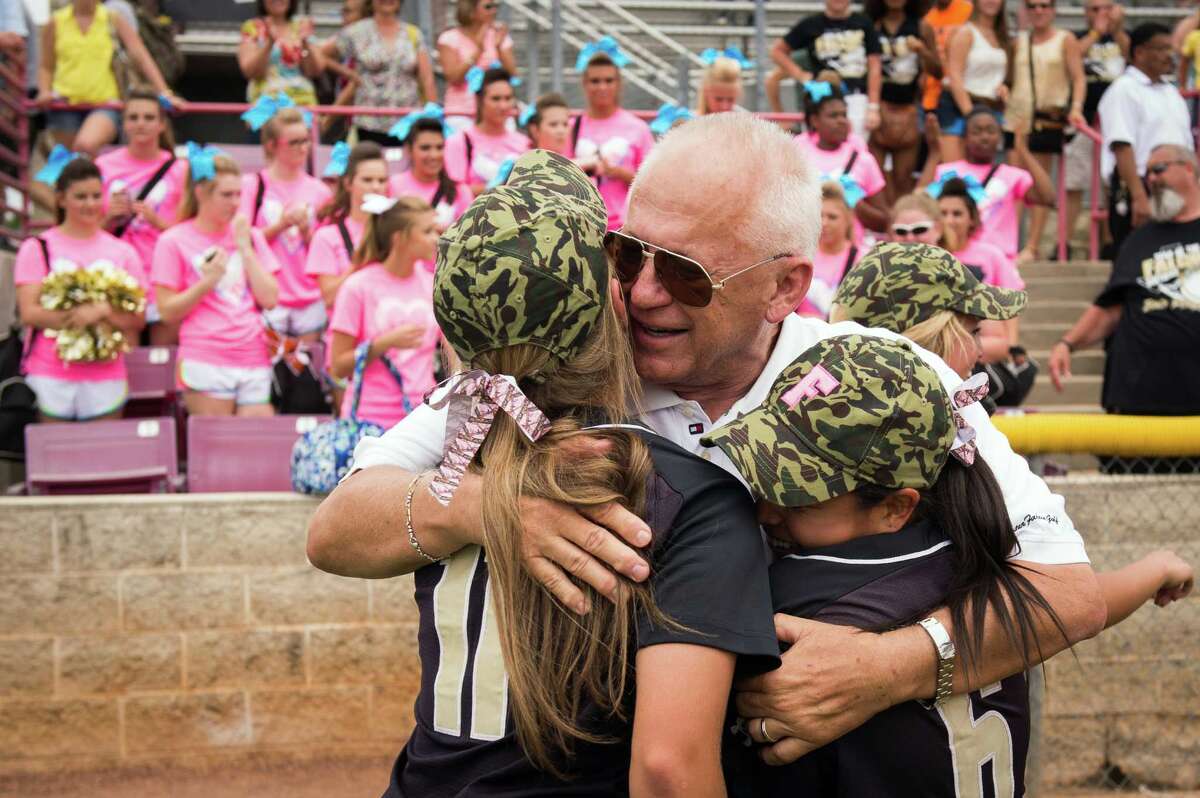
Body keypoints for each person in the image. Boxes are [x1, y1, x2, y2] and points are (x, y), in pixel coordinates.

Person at [307, 113, 1106, 769]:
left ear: (786, 285)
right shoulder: (566, 360)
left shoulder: (881, 377)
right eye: (628, 253)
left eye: (689, 274)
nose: (644, 291)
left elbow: (1066, 588)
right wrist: (489, 505)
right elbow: (337, 528)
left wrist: (889, 669)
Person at [344, 150, 779, 795]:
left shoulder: (456, 449)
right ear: (611, 303)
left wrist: (474, 500)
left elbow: (343, 526)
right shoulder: (690, 496)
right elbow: (669, 769)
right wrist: (490, 507)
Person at [707, 333, 1059, 797]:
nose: (767, 512)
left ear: (896, 508)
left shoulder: (795, 597)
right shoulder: (993, 563)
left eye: (801, 498)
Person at [1050, 143, 1200, 422]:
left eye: (1159, 169)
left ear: (1189, 169)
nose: (1151, 179)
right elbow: (1111, 307)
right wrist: (1066, 343)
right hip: (1137, 396)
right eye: (1147, 173)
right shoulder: (1139, 240)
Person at [16, 157, 147, 422]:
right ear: (62, 199)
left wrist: (103, 311)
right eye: (81, 197)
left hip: (106, 376)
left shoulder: (122, 252)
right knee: (53, 458)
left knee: (103, 458)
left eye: (96, 196)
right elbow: (29, 313)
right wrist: (78, 316)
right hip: (50, 374)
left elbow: (138, 319)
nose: (90, 204)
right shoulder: (37, 247)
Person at [152, 146, 280, 417]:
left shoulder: (251, 236)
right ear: (200, 193)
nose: (235, 203)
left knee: (259, 447)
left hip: (253, 354)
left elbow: (270, 298)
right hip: (205, 356)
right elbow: (166, 310)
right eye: (226, 195)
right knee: (218, 450)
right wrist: (206, 282)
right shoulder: (173, 240)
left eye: (238, 194)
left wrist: (245, 248)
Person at [328, 196, 440, 429]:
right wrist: (383, 343)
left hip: (422, 418)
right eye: (427, 231)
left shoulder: (433, 285)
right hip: (370, 420)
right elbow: (337, 366)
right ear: (400, 238)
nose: (436, 239)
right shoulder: (357, 287)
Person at [96, 89, 188, 346]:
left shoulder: (180, 169)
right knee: (124, 364)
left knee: (163, 365)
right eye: (133, 117)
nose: (140, 124)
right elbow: (86, 232)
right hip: (118, 275)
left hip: (165, 276)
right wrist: (109, 219)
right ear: (123, 124)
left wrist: (158, 222)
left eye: (148, 117)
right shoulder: (104, 166)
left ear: (161, 124)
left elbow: (193, 230)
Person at [35, 0, 181, 158]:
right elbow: (46, 66)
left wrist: (165, 93)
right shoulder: (55, 22)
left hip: (105, 103)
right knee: (66, 163)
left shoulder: (113, 18)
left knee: (85, 144)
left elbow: (141, 57)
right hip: (65, 104)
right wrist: (44, 91)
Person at [886, 195, 1017, 367]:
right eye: (901, 231)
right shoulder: (877, 280)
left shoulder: (958, 278)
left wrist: (943, 353)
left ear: (938, 229)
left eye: (920, 229)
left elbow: (998, 343)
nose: (910, 237)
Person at [1097, 22, 1191, 256]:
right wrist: (1138, 197)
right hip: (1141, 185)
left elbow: (1187, 145)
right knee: (1137, 259)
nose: (1169, 55)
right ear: (1139, 52)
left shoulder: (1171, 92)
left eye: (1171, 49)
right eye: (1161, 49)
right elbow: (1122, 145)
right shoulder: (1123, 90)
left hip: (1179, 187)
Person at [241, 104, 332, 342]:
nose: (303, 148)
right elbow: (243, 239)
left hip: (310, 296)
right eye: (294, 142)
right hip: (269, 295)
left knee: (305, 372)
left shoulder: (320, 190)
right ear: (271, 146)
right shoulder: (252, 185)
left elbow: (326, 250)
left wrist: (305, 231)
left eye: (305, 140)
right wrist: (280, 225)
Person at [1004, 0, 1086, 263]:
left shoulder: (1065, 39)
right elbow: (1011, 78)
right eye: (1033, 6)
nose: (1039, 11)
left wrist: (1075, 107)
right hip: (1016, 118)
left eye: (1044, 6)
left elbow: (1078, 77)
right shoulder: (1019, 42)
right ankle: (1010, 244)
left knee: (1039, 184)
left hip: (1047, 118)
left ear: (1053, 10)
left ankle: (1033, 245)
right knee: (1015, 184)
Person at [923, 109, 1055, 268]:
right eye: (976, 132)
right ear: (964, 138)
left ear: (1000, 137)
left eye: (991, 131)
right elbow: (920, 201)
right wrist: (934, 152)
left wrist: (1022, 149)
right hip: (956, 261)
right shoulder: (946, 172)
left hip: (1000, 263)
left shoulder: (1012, 175)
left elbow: (1047, 197)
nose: (984, 137)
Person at [1064, 0, 1128, 255]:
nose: (1101, 14)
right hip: (1086, 120)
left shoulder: (1122, 37)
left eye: (1106, 8)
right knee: (1074, 181)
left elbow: (1133, 52)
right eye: (1095, 9)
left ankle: (1109, 241)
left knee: (1111, 182)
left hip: (1117, 120)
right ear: (1085, 13)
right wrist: (1096, 33)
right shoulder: (1076, 37)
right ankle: (1064, 241)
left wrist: (1117, 28)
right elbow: (1072, 57)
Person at [326, 0, 437, 147]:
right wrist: (349, 74)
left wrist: (432, 118)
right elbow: (322, 56)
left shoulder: (413, 34)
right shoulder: (356, 32)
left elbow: (427, 79)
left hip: (407, 123)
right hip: (368, 124)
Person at [570, 42, 655, 230]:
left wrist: (617, 172)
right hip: (580, 226)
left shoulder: (638, 128)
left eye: (608, 81)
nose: (602, 87)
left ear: (618, 84)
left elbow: (652, 184)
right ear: (585, 84)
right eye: (595, 81)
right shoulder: (571, 127)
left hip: (624, 229)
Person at [770, 0, 884, 137]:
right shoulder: (811, 24)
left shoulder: (864, 23)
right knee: (815, 149)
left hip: (855, 97)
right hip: (821, 98)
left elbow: (875, 65)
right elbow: (777, 51)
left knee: (853, 147)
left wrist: (873, 106)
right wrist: (801, 75)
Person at [794, 76, 891, 236]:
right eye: (833, 116)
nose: (842, 121)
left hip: (849, 254)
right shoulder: (796, 153)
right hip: (806, 249)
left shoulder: (862, 159)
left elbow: (884, 222)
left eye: (844, 115)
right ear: (814, 120)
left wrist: (855, 202)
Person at [866, 0, 942, 202]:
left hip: (908, 107)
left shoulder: (921, 26)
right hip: (877, 106)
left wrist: (922, 50)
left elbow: (938, 70)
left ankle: (901, 222)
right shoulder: (871, 24)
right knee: (875, 175)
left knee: (903, 177)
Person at [309, 141, 389, 310]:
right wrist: (358, 265)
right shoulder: (326, 236)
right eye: (367, 180)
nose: (376, 187)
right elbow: (329, 298)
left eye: (382, 180)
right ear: (348, 183)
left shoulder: (396, 231)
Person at [939, 0, 1010, 163]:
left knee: (983, 173)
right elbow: (955, 76)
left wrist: (1003, 87)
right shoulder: (966, 32)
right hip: (959, 108)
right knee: (954, 173)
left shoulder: (1001, 35)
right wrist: (972, 116)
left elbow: (996, 74)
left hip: (990, 108)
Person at [442, 68, 528, 196]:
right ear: (479, 100)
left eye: (508, 98)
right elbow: (454, 192)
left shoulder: (524, 143)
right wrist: (497, 188)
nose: (503, 106)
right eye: (496, 99)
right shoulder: (459, 141)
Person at [437, 0, 516, 130]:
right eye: (488, 7)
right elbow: (453, 78)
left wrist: (499, 48)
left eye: (495, 7)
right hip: (461, 113)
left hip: (497, 111)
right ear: (471, 11)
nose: (494, 11)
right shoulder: (449, 38)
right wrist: (477, 52)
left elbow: (512, 76)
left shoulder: (499, 36)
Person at [389, 115, 473, 233]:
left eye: (439, 147)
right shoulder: (392, 185)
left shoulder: (460, 191)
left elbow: (468, 236)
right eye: (425, 148)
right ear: (408, 149)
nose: (434, 155)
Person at [237, 0, 322, 107]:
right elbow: (250, 72)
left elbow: (315, 71)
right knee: (279, 122)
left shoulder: (301, 26)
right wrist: (269, 44)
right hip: (265, 99)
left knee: (298, 122)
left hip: (302, 99)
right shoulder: (252, 27)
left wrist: (305, 44)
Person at [798, 181, 859, 318]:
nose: (824, 223)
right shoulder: (801, 254)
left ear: (849, 219)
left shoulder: (863, 258)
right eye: (820, 216)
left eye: (832, 217)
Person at [921, 0, 973, 160]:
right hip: (932, 98)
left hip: (963, 96)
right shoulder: (926, 17)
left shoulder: (968, 9)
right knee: (937, 160)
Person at [695, 49, 749, 115]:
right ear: (706, 91)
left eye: (730, 99)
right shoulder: (689, 122)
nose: (724, 107)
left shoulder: (743, 121)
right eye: (718, 99)